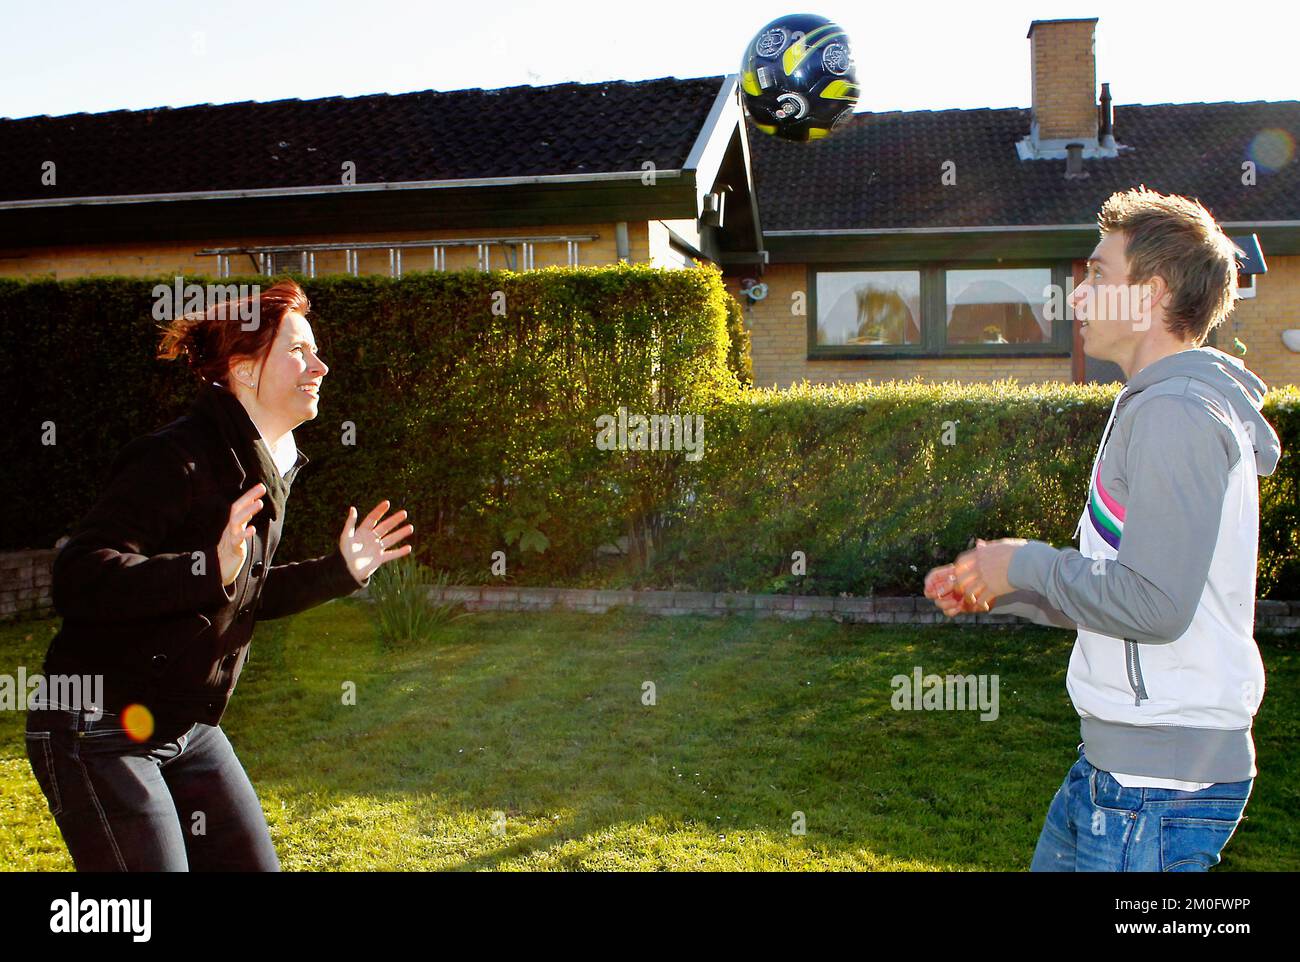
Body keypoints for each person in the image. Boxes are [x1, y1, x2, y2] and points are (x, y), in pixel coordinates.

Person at [924, 186, 1281, 872]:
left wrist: (1025, 564)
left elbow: (1154, 605)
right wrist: (1002, 587)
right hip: (1119, 772)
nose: (1078, 296)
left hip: (1155, 791)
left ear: (1149, 294)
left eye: (1099, 276)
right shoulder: (1154, 405)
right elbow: (1119, 591)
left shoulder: (1175, 413)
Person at [26, 278, 414, 871]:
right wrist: (207, 567)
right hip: (98, 723)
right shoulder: (175, 458)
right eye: (298, 350)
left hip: (184, 723)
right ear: (244, 371)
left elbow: (242, 590)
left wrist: (340, 572)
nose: (321, 366)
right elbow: (79, 576)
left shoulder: (259, 463)